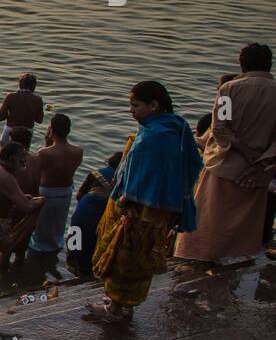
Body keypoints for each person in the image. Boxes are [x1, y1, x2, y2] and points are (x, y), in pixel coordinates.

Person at [86, 82, 203, 323]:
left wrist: (128, 202)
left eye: (135, 105)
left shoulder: (156, 136)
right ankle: (122, 304)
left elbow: (147, 175)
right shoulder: (174, 127)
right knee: (138, 258)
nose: (131, 110)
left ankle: (115, 311)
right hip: (158, 209)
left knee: (125, 258)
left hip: (142, 211)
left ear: (154, 105)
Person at [175, 44, 276, 265]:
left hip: (226, 164)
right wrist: (261, 160)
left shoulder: (229, 89)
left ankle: (197, 260)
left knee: (209, 220)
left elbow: (220, 129)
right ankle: (235, 261)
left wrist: (246, 152)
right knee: (243, 225)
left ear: (242, 63)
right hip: (259, 169)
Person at [29, 114, 85, 254]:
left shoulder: (44, 153)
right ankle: (55, 246)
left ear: (51, 130)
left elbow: (35, 175)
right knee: (58, 223)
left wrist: (47, 143)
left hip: (46, 191)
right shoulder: (78, 151)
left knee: (41, 225)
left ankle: (38, 249)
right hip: (66, 191)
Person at [67, 152, 122, 276]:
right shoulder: (124, 180)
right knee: (92, 252)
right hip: (101, 221)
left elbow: (79, 196)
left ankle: (74, 273)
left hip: (80, 214)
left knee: (75, 246)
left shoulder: (95, 173)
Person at [0, 73, 45, 148]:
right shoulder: (38, 100)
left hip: (10, 131)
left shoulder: (11, 97)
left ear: (19, 84)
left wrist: (11, 114)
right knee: (23, 156)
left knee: (3, 155)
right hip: (26, 134)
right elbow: (39, 120)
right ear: (34, 86)